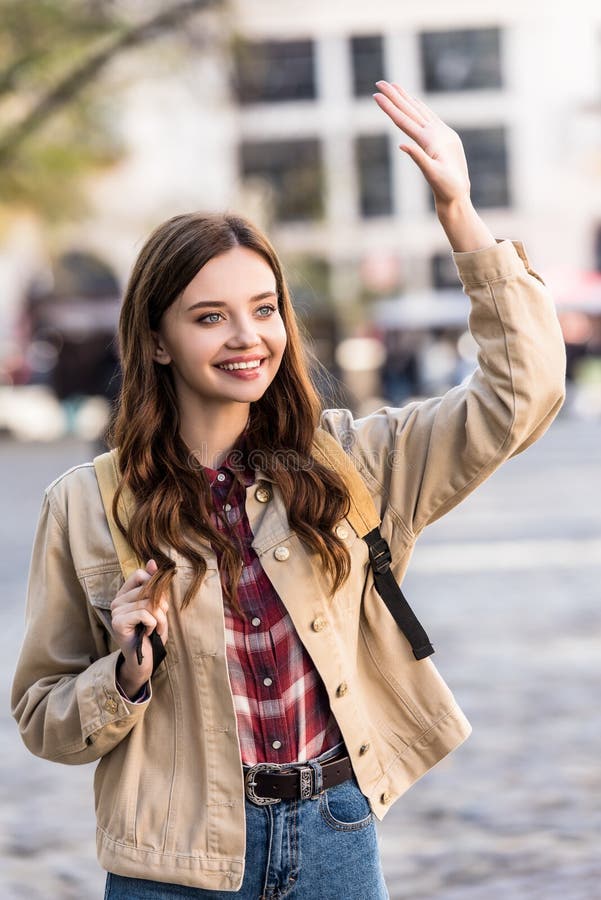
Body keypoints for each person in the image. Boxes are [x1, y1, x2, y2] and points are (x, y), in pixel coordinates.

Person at [11, 81, 566, 899]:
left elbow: (521, 397)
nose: (248, 337)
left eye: (263, 309)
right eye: (209, 318)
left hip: (336, 834)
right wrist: (124, 674)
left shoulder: (356, 461)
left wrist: (460, 212)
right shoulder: (87, 505)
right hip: (175, 860)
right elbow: (41, 717)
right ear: (157, 341)